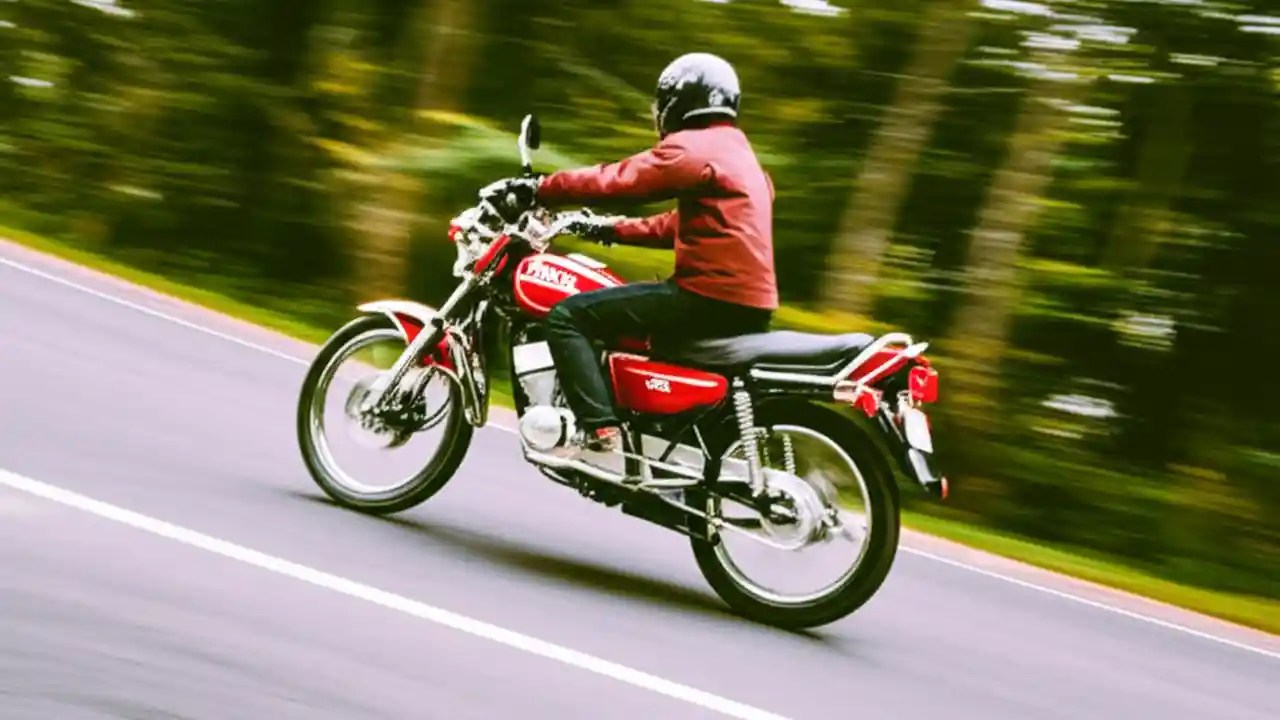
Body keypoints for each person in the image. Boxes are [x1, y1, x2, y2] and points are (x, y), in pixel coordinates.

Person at [501, 52, 778, 454]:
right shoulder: (738, 152)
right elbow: (676, 226)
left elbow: (623, 178)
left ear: (679, 101)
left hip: (707, 299)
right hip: (750, 304)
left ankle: (598, 429)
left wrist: (542, 188)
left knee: (568, 316)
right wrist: (607, 228)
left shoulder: (694, 146)